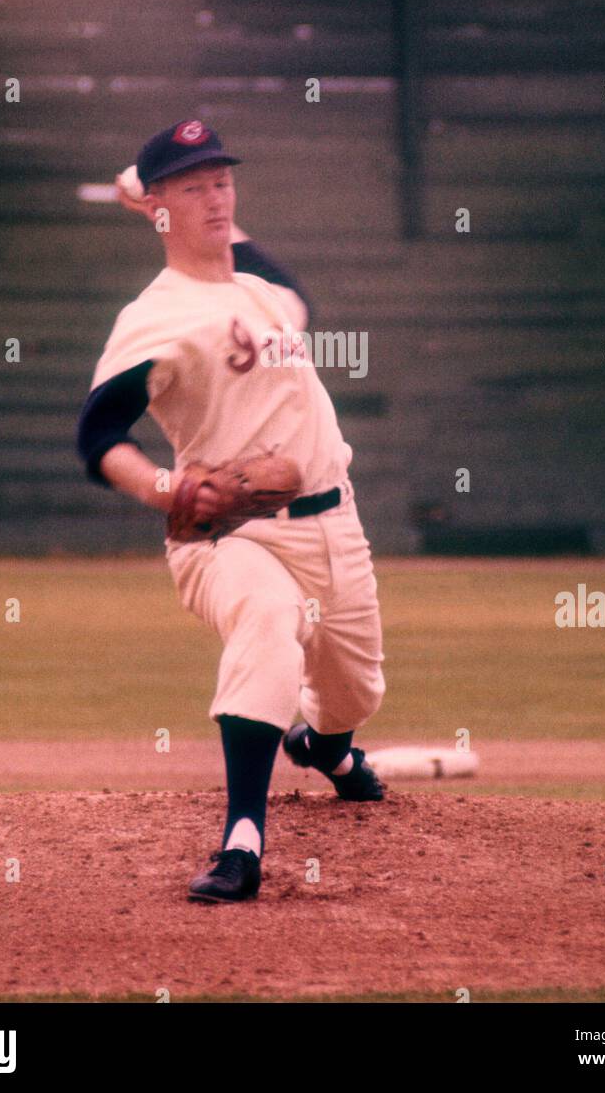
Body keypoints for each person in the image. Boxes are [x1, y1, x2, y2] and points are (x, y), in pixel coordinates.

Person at [76, 119, 386, 904]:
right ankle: (241, 842)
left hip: (334, 527)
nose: (215, 196)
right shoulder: (156, 317)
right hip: (230, 535)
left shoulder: (267, 295)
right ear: (159, 209)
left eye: (222, 180)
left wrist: (182, 209)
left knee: (356, 695)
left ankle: (322, 746)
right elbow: (98, 434)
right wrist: (165, 490)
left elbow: (269, 276)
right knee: (267, 623)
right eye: (191, 186)